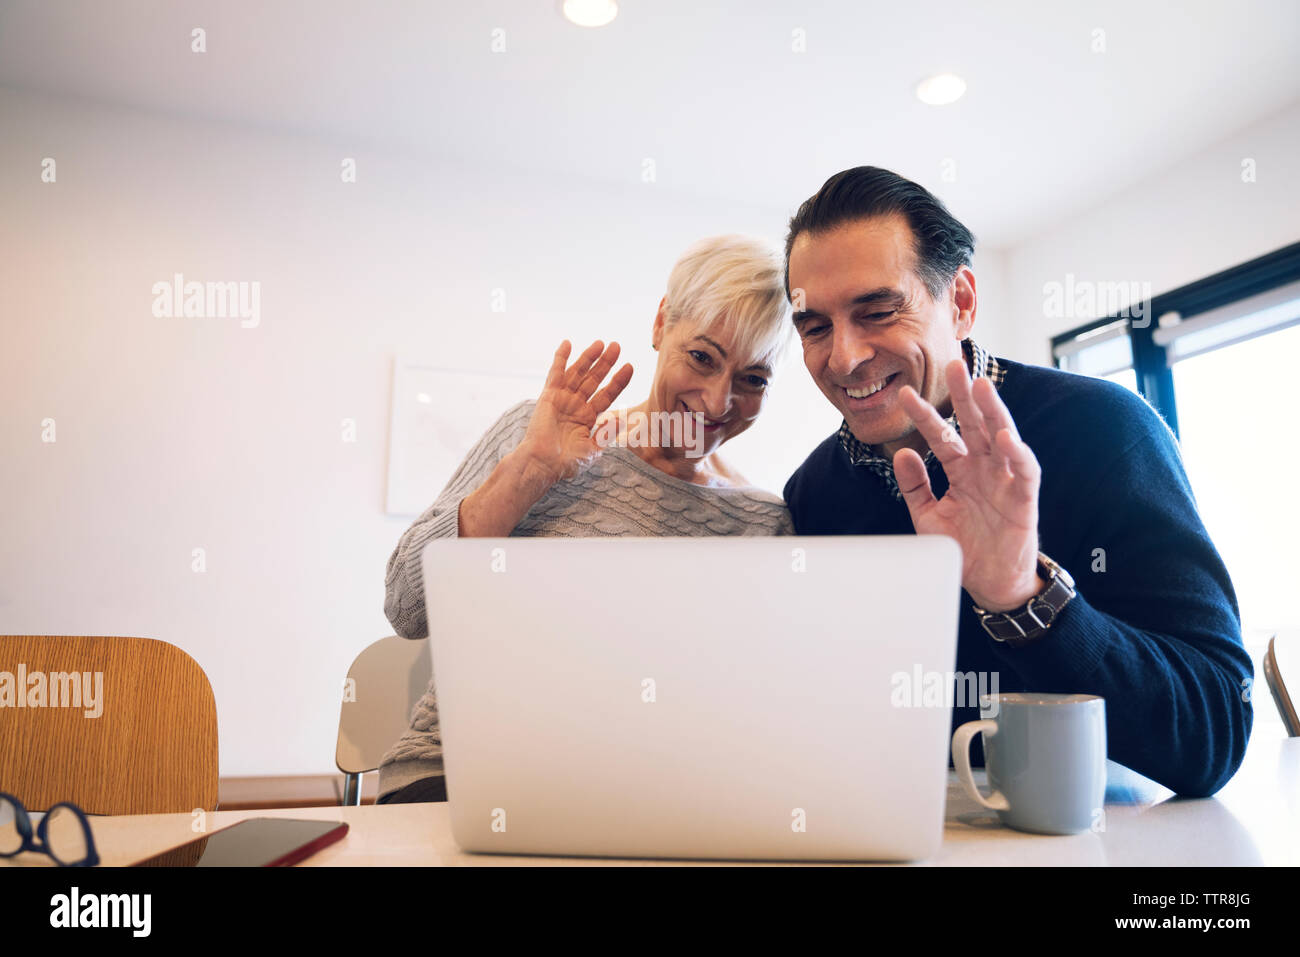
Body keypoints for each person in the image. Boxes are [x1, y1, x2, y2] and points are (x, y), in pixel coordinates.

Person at [781, 166, 1253, 798]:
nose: (843, 357)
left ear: (962, 302)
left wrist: (1021, 597)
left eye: (879, 311)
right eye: (814, 327)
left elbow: (1215, 730)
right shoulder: (812, 493)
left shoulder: (1103, 430)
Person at [377, 235, 794, 804]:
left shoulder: (762, 522)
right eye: (702, 357)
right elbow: (406, 606)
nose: (718, 401)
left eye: (753, 380)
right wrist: (531, 469)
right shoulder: (537, 436)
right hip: (460, 774)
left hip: (649, 795)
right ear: (660, 324)